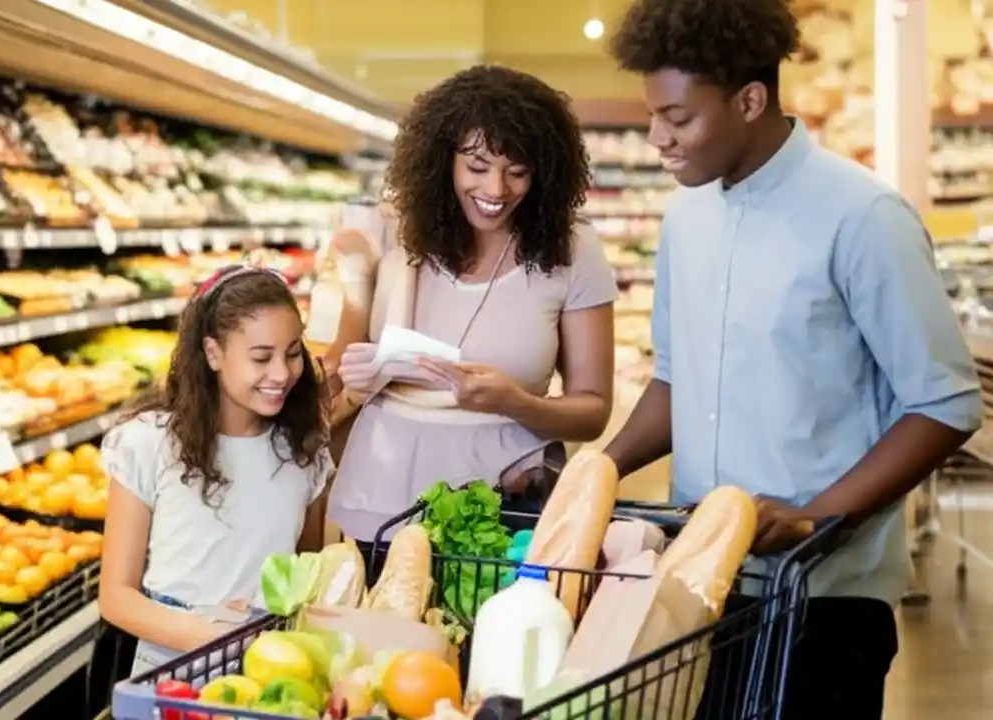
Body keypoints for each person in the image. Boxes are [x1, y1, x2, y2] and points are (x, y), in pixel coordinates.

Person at [603, 0, 982, 715]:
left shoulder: (862, 217)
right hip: (696, 587)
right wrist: (600, 467)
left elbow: (944, 403)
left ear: (750, 100)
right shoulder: (687, 217)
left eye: (678, 119)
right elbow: (675, 378)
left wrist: (815, 516)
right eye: (654, 116)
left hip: (824, 603)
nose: (657, 137)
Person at [323, 65, 620, 564]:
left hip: (509, 502)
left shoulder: (572, 250)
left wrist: (514, 402)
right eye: (477, 166)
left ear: (544, 171)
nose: (497, 189)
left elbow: (592, 411)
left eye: (517, 171)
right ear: (443, 160)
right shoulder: (392, 236)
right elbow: (334, 359)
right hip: (387, 496)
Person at [98, 264, 333, 674]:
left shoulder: (302, 453)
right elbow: (116, 597)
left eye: (293, 353)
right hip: (169, 664)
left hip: (269, 666)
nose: (281, 373)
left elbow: (304, 573)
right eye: (261, 357)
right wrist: (213, 638)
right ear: (213, 353)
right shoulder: (148, 443)